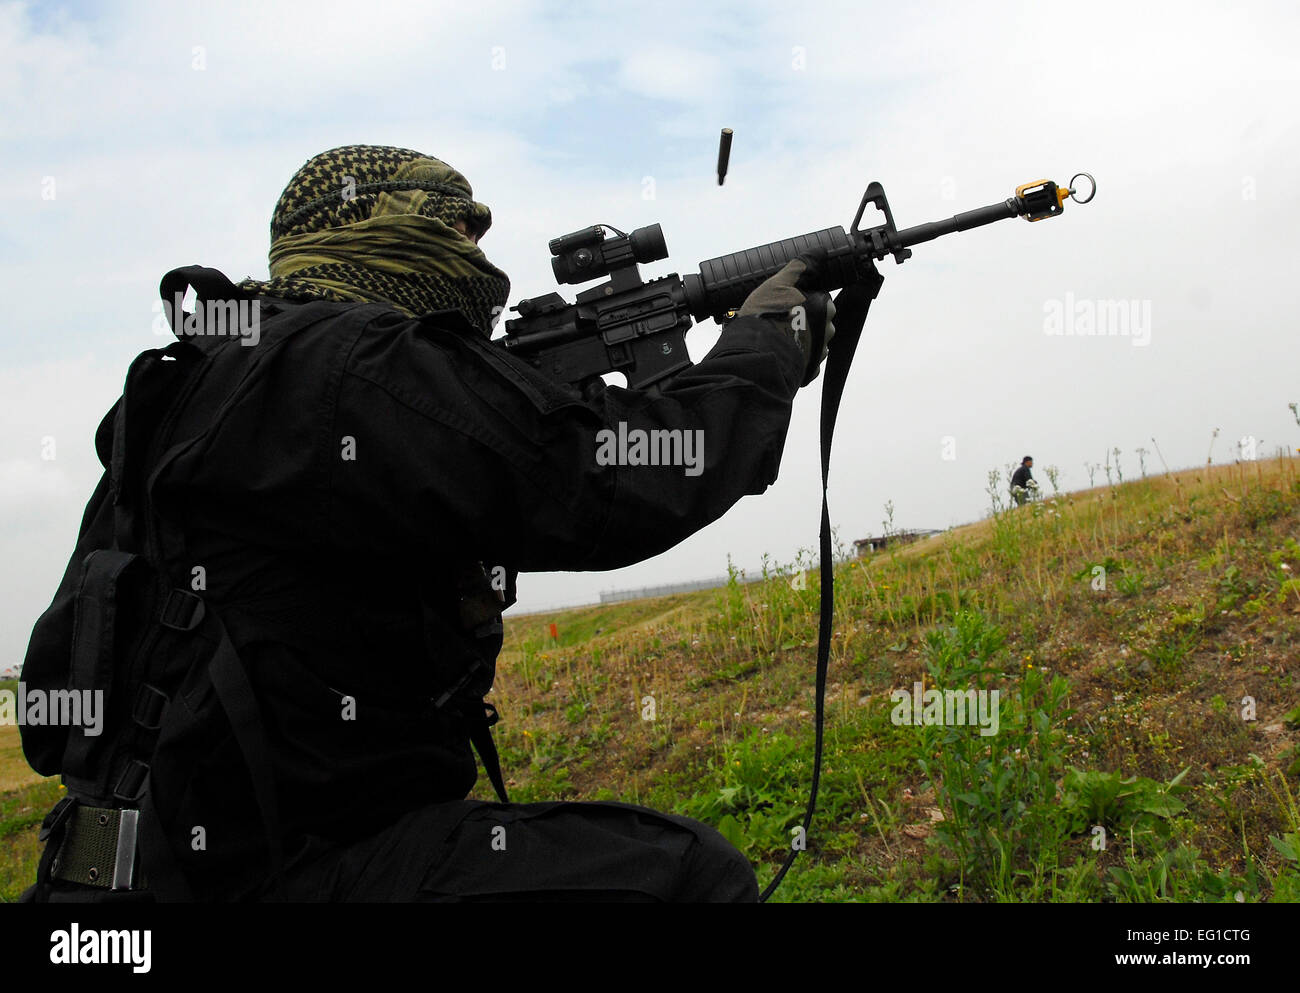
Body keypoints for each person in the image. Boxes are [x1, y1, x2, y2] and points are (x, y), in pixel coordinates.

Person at [20, 145, 882, 903]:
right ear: (388, 232)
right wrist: (764, 346)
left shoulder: (210, 378)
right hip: (265, 875)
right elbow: (613, 486)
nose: (478, 260)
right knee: (687, 877)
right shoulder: (352, 364)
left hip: (109, 871)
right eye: (458, 231)